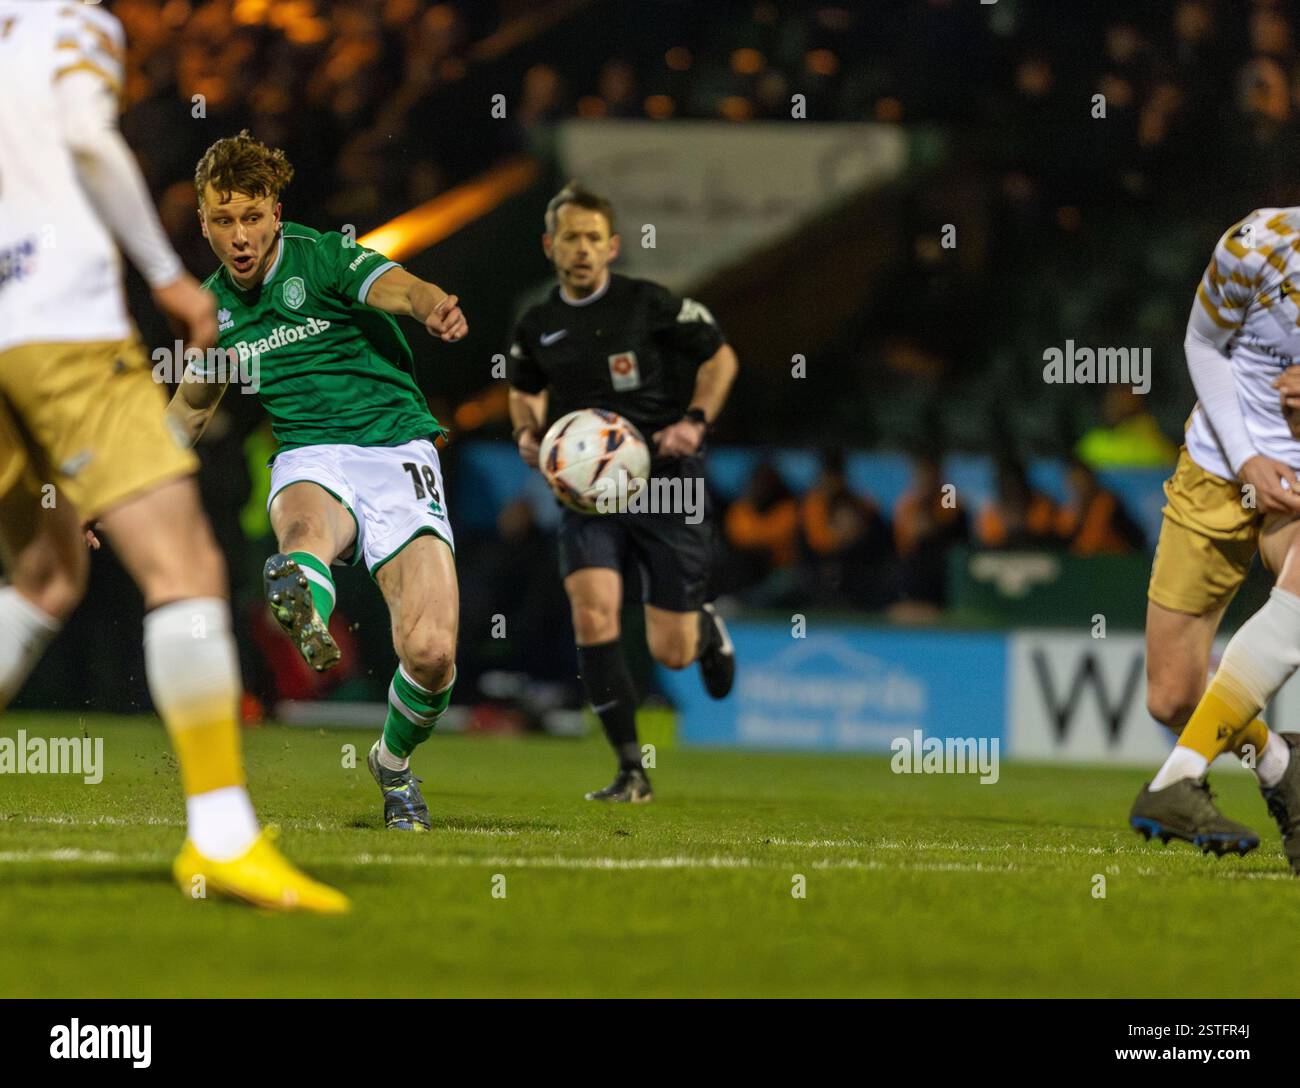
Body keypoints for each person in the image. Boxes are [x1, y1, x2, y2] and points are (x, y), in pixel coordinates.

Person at [0, 2, 345, 911]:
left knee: (42, 576)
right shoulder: (66, 20)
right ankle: (224, 838)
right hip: (58, 323)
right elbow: (86, 140)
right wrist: (164, 276)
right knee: (186, 566)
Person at [167, 131, 468, 832]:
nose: (238, 237)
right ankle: (302, 593)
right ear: (204, 221)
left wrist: (430, 306)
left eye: (251, 217)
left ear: (276, 212)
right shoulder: (215, 314)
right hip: (310, 455)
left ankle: (393, 766)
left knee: (431, 653)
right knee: (304, 531)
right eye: (222, 220)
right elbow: (187, 412)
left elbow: (394, 284)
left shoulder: (324, 256)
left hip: (398, 451)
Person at [507, 182, 738, 802]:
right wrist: (528, 431)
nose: (581, 250)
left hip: (666, 484)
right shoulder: (538, 322)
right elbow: (524, 386)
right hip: (587, 492)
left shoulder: (649, 304)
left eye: (592, 239)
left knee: (672, 652)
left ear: (611, 246)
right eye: (569, 239)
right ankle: (630, 769)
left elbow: (720, 359)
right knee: (593, 611)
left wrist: (694, 421)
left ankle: (706, 629)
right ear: (549, 246)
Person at [1131, 207, 1300, 865]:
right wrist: (1248, 457)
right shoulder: (1259, 244)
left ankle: (1175, 780)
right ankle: (1282, 766)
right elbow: (1203, 343)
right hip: (1220, 469)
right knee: (1172, 695)